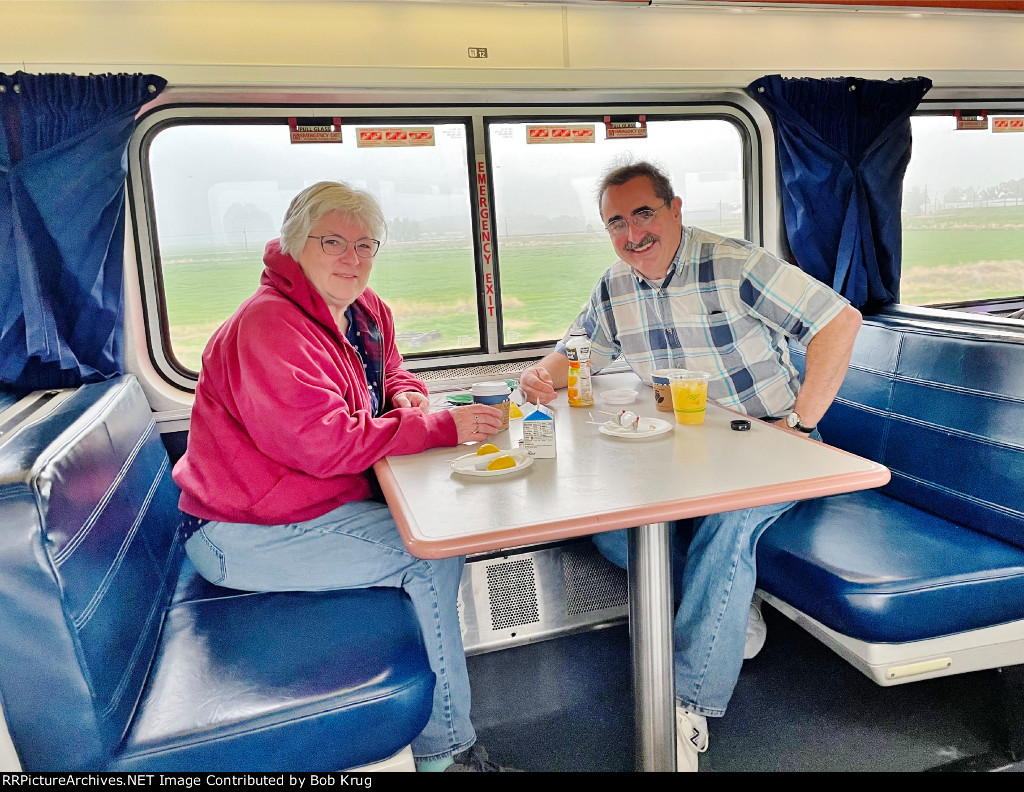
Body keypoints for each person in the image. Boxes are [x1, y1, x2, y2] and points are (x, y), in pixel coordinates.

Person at [519, 161, 862, 772]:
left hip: (770, 444)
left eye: (643, 213)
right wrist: (533, 380)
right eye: (616, 222)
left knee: (728, 530)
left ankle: (684, 702)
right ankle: (730, 605)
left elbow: (839, 321)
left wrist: (803, 427)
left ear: (674, 209)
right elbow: (576, 351)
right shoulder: (614, 287)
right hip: (686, 448)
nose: (632, 234)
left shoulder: (734, 264)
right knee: (609, 526)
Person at [171, 181, 513, 773]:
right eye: (334, 242)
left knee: (438, 539)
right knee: (429, 555)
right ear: (296, 243)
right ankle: (448, 754)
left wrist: (408, 402)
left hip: (311, 510)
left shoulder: (363, 312)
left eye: (365, 245)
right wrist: (438, 429)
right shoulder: (270, 328)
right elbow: (322, 443)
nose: (352, 259)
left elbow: (397, 375)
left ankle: (438, 724)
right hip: (244, 534)